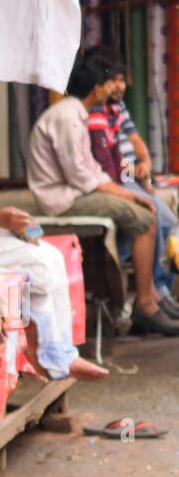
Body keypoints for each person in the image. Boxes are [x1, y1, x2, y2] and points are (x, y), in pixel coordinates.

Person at [0, 86, 107, 381]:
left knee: (50, 256)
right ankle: (50, 356)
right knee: (42, 263)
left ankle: (57, 355)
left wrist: (8, 224)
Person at [26, 54, 178, 336]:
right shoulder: (71, 117)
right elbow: (87, 175)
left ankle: (154, 296)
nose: (115, 88)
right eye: (111, 82)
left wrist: (131, 186)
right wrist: (128, 192)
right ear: (97, 87)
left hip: (81, 188)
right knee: (145, 217)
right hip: (65, 197)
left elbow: (100, 166)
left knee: (149, 210)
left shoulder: (85, 113)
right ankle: (145, 303)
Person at [81, 46, 178, 310]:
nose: (120, 86)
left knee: (166, 220)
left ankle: (159, 291)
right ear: (99, 83)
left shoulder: (116, 109)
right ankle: (154, 292)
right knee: (157, 217)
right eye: (115, 80)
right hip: (117, 180)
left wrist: (144, 165)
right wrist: (133, 185)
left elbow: (133, 143)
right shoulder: (93, 113)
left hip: (125, 176)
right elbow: (104, 166)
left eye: (122, 80)